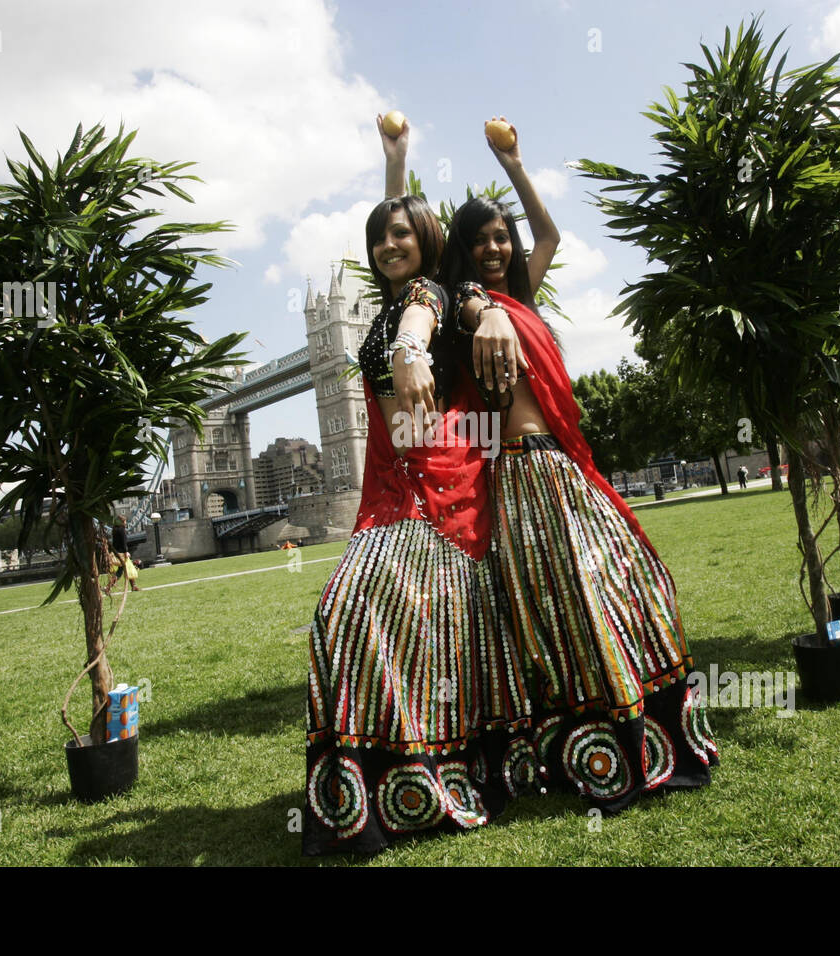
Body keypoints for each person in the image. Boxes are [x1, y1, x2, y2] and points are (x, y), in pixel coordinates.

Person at [440, 117, 717, 813]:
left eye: (501, 238)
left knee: (629, 578)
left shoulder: (523, 298)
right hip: (520, 480)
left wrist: (515, 165)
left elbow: (551, 238)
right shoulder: (462, 309)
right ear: (464, 254)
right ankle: (592, 747)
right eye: (481, 242)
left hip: (563, 469)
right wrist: (481, 306)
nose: (497, 249)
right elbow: (463, 299)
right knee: (564, 603)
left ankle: (645, 732)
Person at [303, 116, 530, 856]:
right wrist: (394, 163)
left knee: (354, 610)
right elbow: (403, 256)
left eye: (401, 235)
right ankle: (404, 767)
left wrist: (468, 322)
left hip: (438, 481)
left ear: (428, 243)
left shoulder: (434, 293)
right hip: (395, 482)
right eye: (378, 238)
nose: (387, 246)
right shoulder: (395, 289)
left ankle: (425, 771)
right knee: (380, 618)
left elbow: (432, 305)